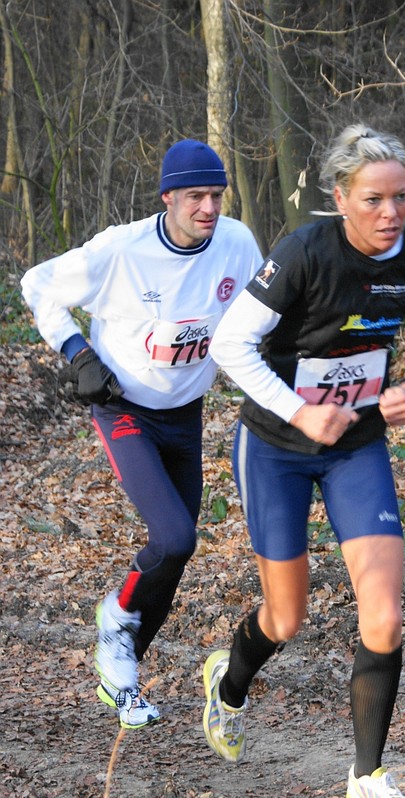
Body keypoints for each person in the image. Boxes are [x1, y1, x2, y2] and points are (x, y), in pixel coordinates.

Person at [203, 123, 405, 798]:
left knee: (383, 613)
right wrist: (298, 410)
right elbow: (231, 343)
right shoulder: (302, 253)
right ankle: (229, 685)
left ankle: (368, 776)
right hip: (275, 449)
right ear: (341, 198)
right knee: (286, 618)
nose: (392, 214)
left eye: (403, 199)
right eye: (375, 200)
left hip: (357, 446)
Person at [21, 139, 262, 730]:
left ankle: (122, 670)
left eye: (216, 195)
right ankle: (115, 624)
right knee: (174, 536)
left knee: (176, 554)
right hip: (124, 408)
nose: (208, 208)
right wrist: (77, 351)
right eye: (195, 197)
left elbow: (263, 312)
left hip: (186, 411)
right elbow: (37, 283)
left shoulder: (236, 243)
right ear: (168, 197)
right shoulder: (120, 251)